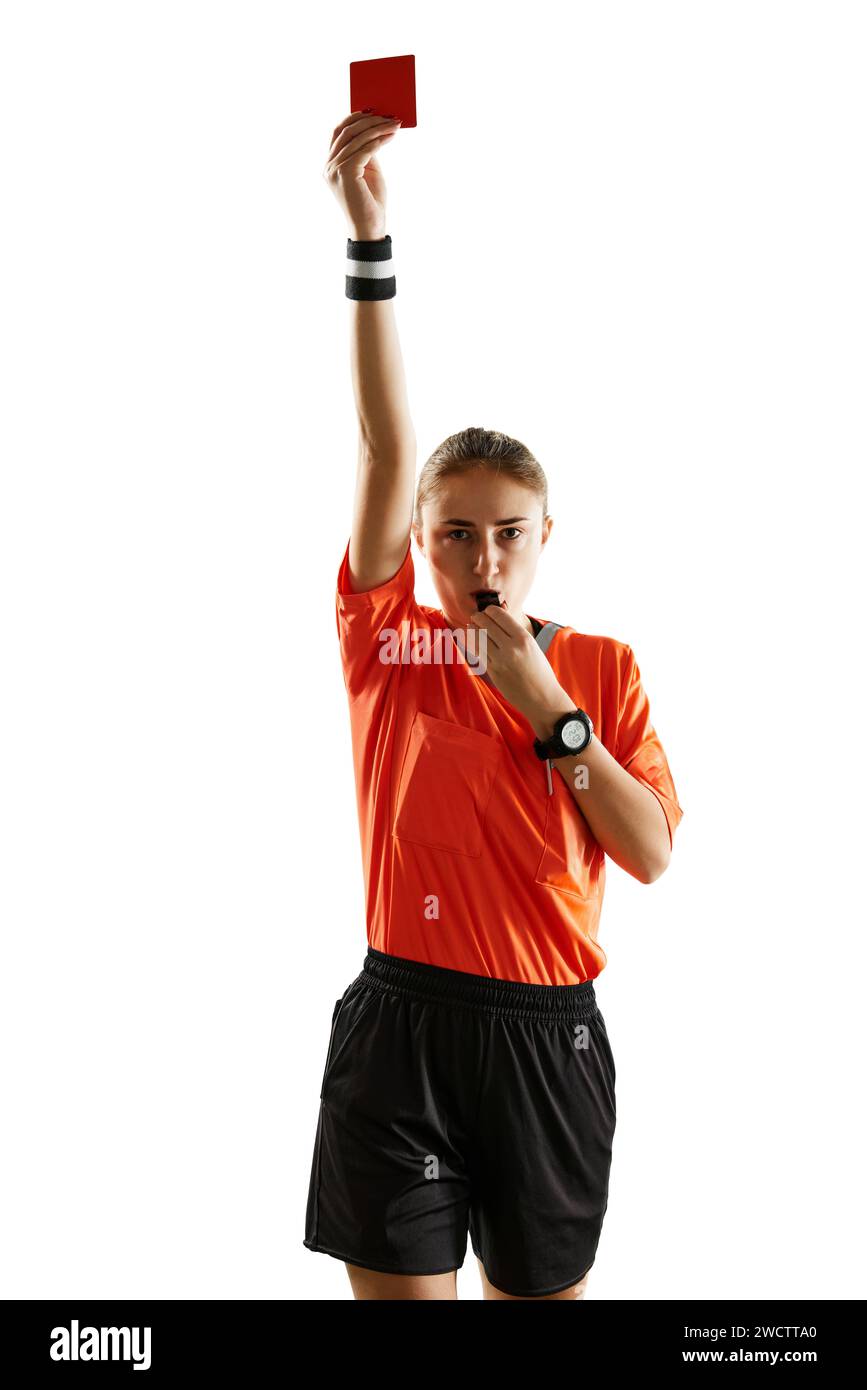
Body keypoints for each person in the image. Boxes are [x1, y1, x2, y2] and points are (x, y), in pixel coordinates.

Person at [303, 110, 684, 1301]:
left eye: (508, 533)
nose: (484, 555)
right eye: (455, 531)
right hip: (401, 1027)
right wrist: (371, 242)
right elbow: (383, 447)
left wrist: (548, 705)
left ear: (542, 540)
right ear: (420, 542)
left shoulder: (608, 667)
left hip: (546, 1039)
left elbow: (651, 852)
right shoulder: (392, 642)